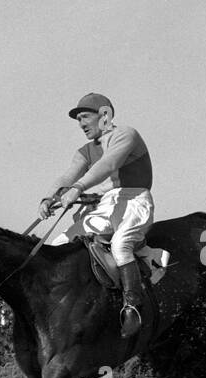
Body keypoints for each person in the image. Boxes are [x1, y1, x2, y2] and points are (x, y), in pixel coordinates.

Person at [40, 93, 154, 338]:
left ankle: (133, 307)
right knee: (59, 244)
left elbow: (109, 165)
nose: (81, 124)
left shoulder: (126, 134)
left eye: (84, 117)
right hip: (107, 205)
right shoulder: (85, 150)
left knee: (121, 245)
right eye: (78, 119)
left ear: (104, 115)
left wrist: (77, 189)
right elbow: (67, 176)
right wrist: (49, 198)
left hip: (135, 201)